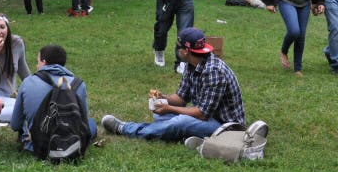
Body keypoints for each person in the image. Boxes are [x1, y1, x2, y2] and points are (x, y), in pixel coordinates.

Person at [102, 27, 244, 141]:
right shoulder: (192, 63)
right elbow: (181, 98)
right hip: (207, 117)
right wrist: (163, 98)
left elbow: (202, 114)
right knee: (160, 116)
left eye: (178, 47)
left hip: (224, 127)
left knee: (179, 122)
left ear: (186, 51)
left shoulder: (213, 72)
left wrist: (169, 108)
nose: (177, 50)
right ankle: (184, 134)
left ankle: (126, 128)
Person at [10, 44, 97, 153]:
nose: (37, 66)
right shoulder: (78, 84)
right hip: (71, 141)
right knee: (91, 123)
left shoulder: (28, 82)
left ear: (44, 62)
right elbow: (83, 122)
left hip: (39, 143)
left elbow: (15, 124)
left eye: (38, 62)